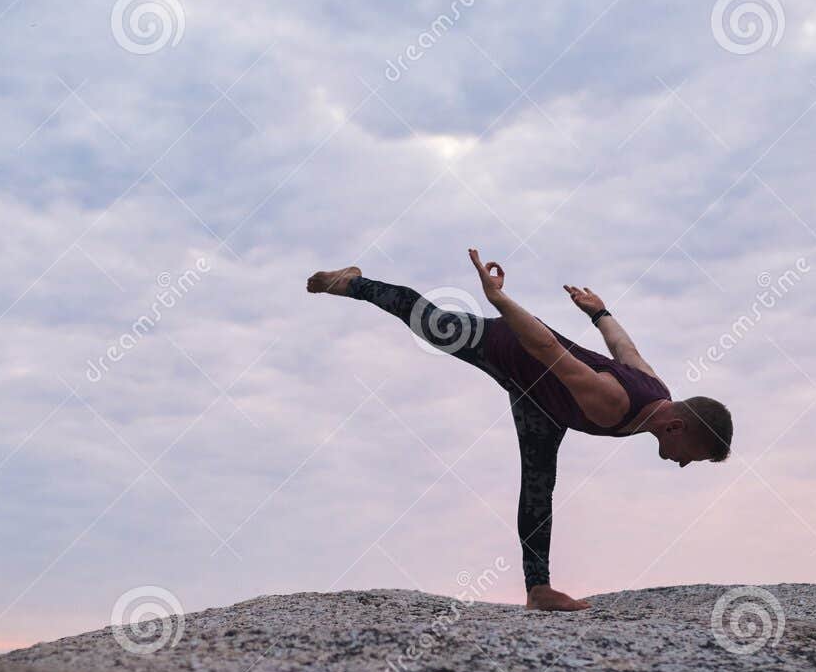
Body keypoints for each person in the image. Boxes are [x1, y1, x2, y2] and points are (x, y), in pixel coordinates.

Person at [307, 249, 732, 611]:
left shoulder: (657, 391)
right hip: (512, 347)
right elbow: (547, 348)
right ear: (677, 427)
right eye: (691, 456)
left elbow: (625, 348)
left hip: (544, 404)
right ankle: (351, 283)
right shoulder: (614, 403)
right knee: (432, 325)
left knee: (538, 485)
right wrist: (499, 299)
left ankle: (538, 589)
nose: (683, 465)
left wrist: (599, 312)